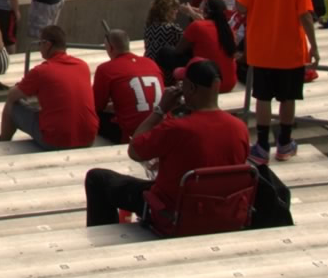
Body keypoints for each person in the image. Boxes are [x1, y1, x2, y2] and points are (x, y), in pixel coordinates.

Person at [83, 60, 250, 227]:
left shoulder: (176, 128)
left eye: (182, 83)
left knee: (97, 178)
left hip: (172, 216)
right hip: (222, 214)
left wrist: (161, 109)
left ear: (191, 88)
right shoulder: (240, 128)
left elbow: (134, 151)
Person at [234, 0, 319, 164]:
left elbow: (240, 6)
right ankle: (284, 143)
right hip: (289, 51)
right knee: (288, 98)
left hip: (261, 49)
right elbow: (305, 15)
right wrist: (314, 45)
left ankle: (261, 145)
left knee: (262, 97)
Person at [0, 25, 93, 148]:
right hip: (88, 138)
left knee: (13, 106)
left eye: (40, 43)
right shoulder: (82, 66)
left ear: (47, 44)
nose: (39, 48)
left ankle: (1, 142)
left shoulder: (42, 71)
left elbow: (12, 95)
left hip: (56, 141)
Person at [93, 29, 164, 143]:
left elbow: (97, 105)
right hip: (160, 126)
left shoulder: (106, 69)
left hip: (131, 132)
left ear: (110, 48)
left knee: (90, 116)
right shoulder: (151, 63)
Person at [179, 0, 239, 92]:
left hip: (208, 84)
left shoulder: (197, 26)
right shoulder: (228, 30)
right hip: (229, 83)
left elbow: (178, 50)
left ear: (206, 12)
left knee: (167, 53)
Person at [142, 0, 190, 76]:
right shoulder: (172, 29)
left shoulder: (148, 27)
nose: (177, 11)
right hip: (166, 72)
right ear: (167, 10)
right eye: (174, 8)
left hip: (149, 66)